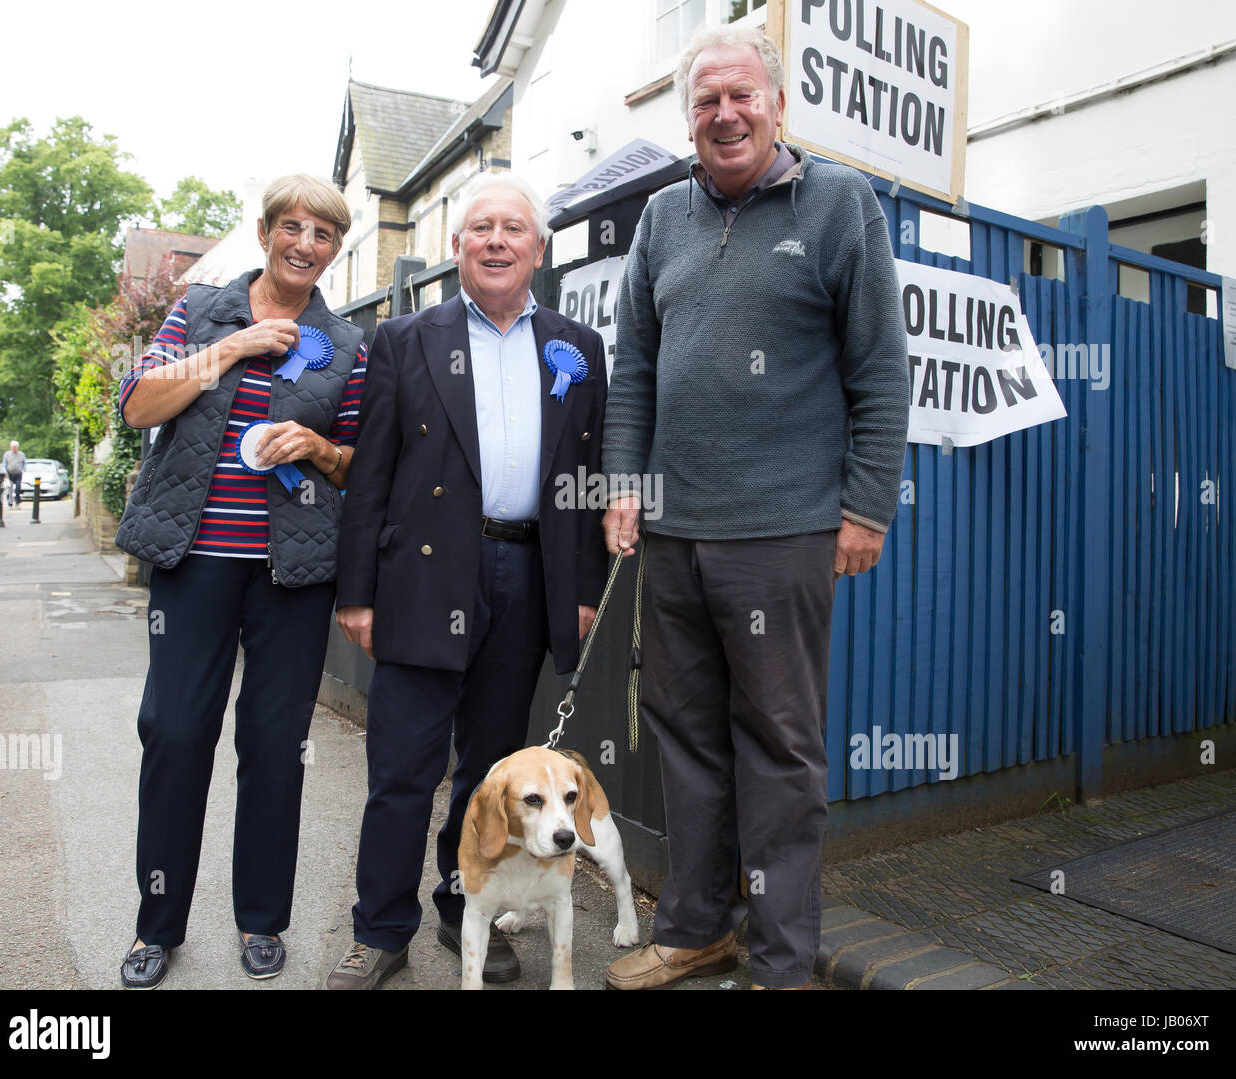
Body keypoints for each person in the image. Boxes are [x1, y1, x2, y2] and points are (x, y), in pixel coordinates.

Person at [600, 24, 910, 990]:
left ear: (778, 105)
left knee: (778, 748)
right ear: (688, 116)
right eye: (705, 101)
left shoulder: (838, 205)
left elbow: (880, 369)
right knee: (684, 739)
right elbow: (635, 369)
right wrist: (622, 482)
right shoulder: (660, 219)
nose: (724, 115)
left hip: (783, 533)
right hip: (676, 534)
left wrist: (865, 507)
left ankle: (780, 960)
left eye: (742, 96)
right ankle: (695, 925)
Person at [327, 172, 607, 990]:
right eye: (480, 227)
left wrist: (583, 587)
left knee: (493, 768)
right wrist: (356, 590)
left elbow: (586, 475)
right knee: (404, 767)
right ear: (458, 248)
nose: (495, 240)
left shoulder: (577, 346)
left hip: (530, 574)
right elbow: (369, 472)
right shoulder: (405, 338)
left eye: (512, 229)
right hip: (426, 576)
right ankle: (379, 930)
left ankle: (463, 911)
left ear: (537, 249)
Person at [112, 174, 368, 989]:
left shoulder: (351, 344)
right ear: (265, 232)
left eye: (323, 234)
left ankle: (262, 920)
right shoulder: (200, 310)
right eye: (292, 226)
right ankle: (157, 924)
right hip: (193, 565)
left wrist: (319, 449)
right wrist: (233, 348)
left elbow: (362, 463)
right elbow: (139, 405)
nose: (305, 244)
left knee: (275, 747)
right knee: (177, 734)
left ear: (335, 249)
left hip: (291, 574)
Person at [2, 441, 26, 507]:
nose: (14, 448)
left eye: (15, 447)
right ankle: (10, 503)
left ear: (17, 447)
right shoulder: (7, 454)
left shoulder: (21, 454)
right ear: (11, 447)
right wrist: (5, 472)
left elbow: (24, 463)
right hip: (10, 473)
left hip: (18, 473)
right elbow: (4, 464)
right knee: (10, 488)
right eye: (13, 447)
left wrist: (24, 470)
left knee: (18, 487)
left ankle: (17, 502)